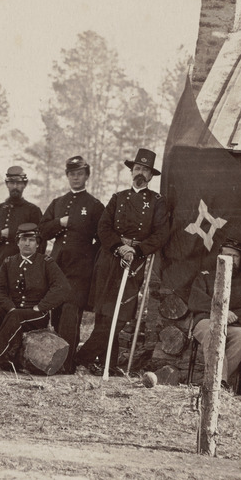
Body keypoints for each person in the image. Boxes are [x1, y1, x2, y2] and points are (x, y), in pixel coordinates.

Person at [74, 148, 171, 373]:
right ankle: (106, 363)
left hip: (133, 263)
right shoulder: (118, 197)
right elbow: (103, 227)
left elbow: (160, 234)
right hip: (109, 260)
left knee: (120, 315)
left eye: (145, 170)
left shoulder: (157, 202)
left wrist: (136, 251)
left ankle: (79, 358)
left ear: (150, 175)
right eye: (137, 168)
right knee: (103, 313)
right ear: (131, 172)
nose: (140, 173)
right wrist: (120, 247)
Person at [39, 156, 105, 373]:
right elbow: (43, 231)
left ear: (87, 176)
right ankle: (53, 359)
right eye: (72, 174)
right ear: (67, 176)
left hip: (80, 270)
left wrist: (87, 256)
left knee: (70, 311)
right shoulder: (58, 203)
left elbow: (103, 237)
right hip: (57, 266)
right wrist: (60, 223)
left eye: (80, 174)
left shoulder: (94, 206)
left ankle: (66, 365)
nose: (75, 178)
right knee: (56, 312)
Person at [0, 223, 71, 374]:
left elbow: (63, 288)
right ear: (18, 242)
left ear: (38, 243)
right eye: (23, 239)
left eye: (32, 240)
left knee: (16, 316)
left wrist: (41, 306)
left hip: (37, 315)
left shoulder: (46, 263)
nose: (27, 243)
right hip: (13, 311)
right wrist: (10, 307)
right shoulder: (9, 262)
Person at [187, 236, 241, 391]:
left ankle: (214, 382)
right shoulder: (205, 276)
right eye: (227, 255)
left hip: (234, 325)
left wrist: (235, 315)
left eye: (235, 256)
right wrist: (222, 313)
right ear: (219, 257)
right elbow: (195, 301)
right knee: (214, 333)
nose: (231, 259)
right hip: (207, 321)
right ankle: (219, 385)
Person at [0, 166, 42, 293]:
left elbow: (41, 241)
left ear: (25, 185)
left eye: (19, 183)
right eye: (11, 183)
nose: (15, 186)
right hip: (0, 265)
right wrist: (1, 233)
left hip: (24, 266)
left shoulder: (33, 211)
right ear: (7, 184)